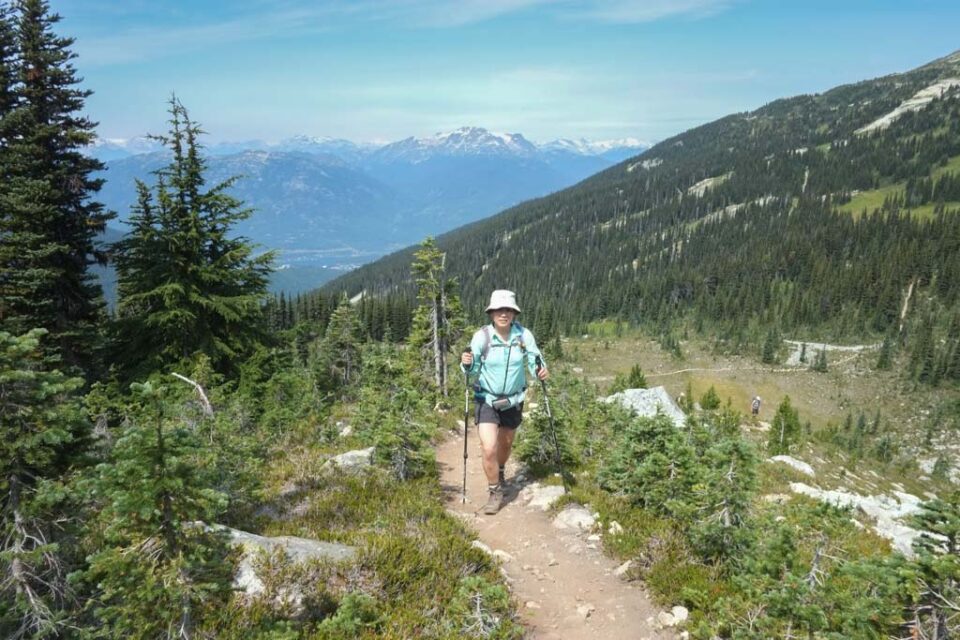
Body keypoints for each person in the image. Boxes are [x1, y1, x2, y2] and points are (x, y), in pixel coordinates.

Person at [461, 290, 548, 515]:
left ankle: (500, 471)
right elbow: (474, 368)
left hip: (513, 399)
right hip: (487, 399)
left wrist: (539, 370)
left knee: (506, 444)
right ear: (491, 313)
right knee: (489, 447)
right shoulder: (482, 337)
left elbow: (533, 359)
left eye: (508, 309)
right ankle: (495, 491)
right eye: (499, 310)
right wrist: (467, 364)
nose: (504, 313)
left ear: (513, 313)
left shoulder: (523, 336)